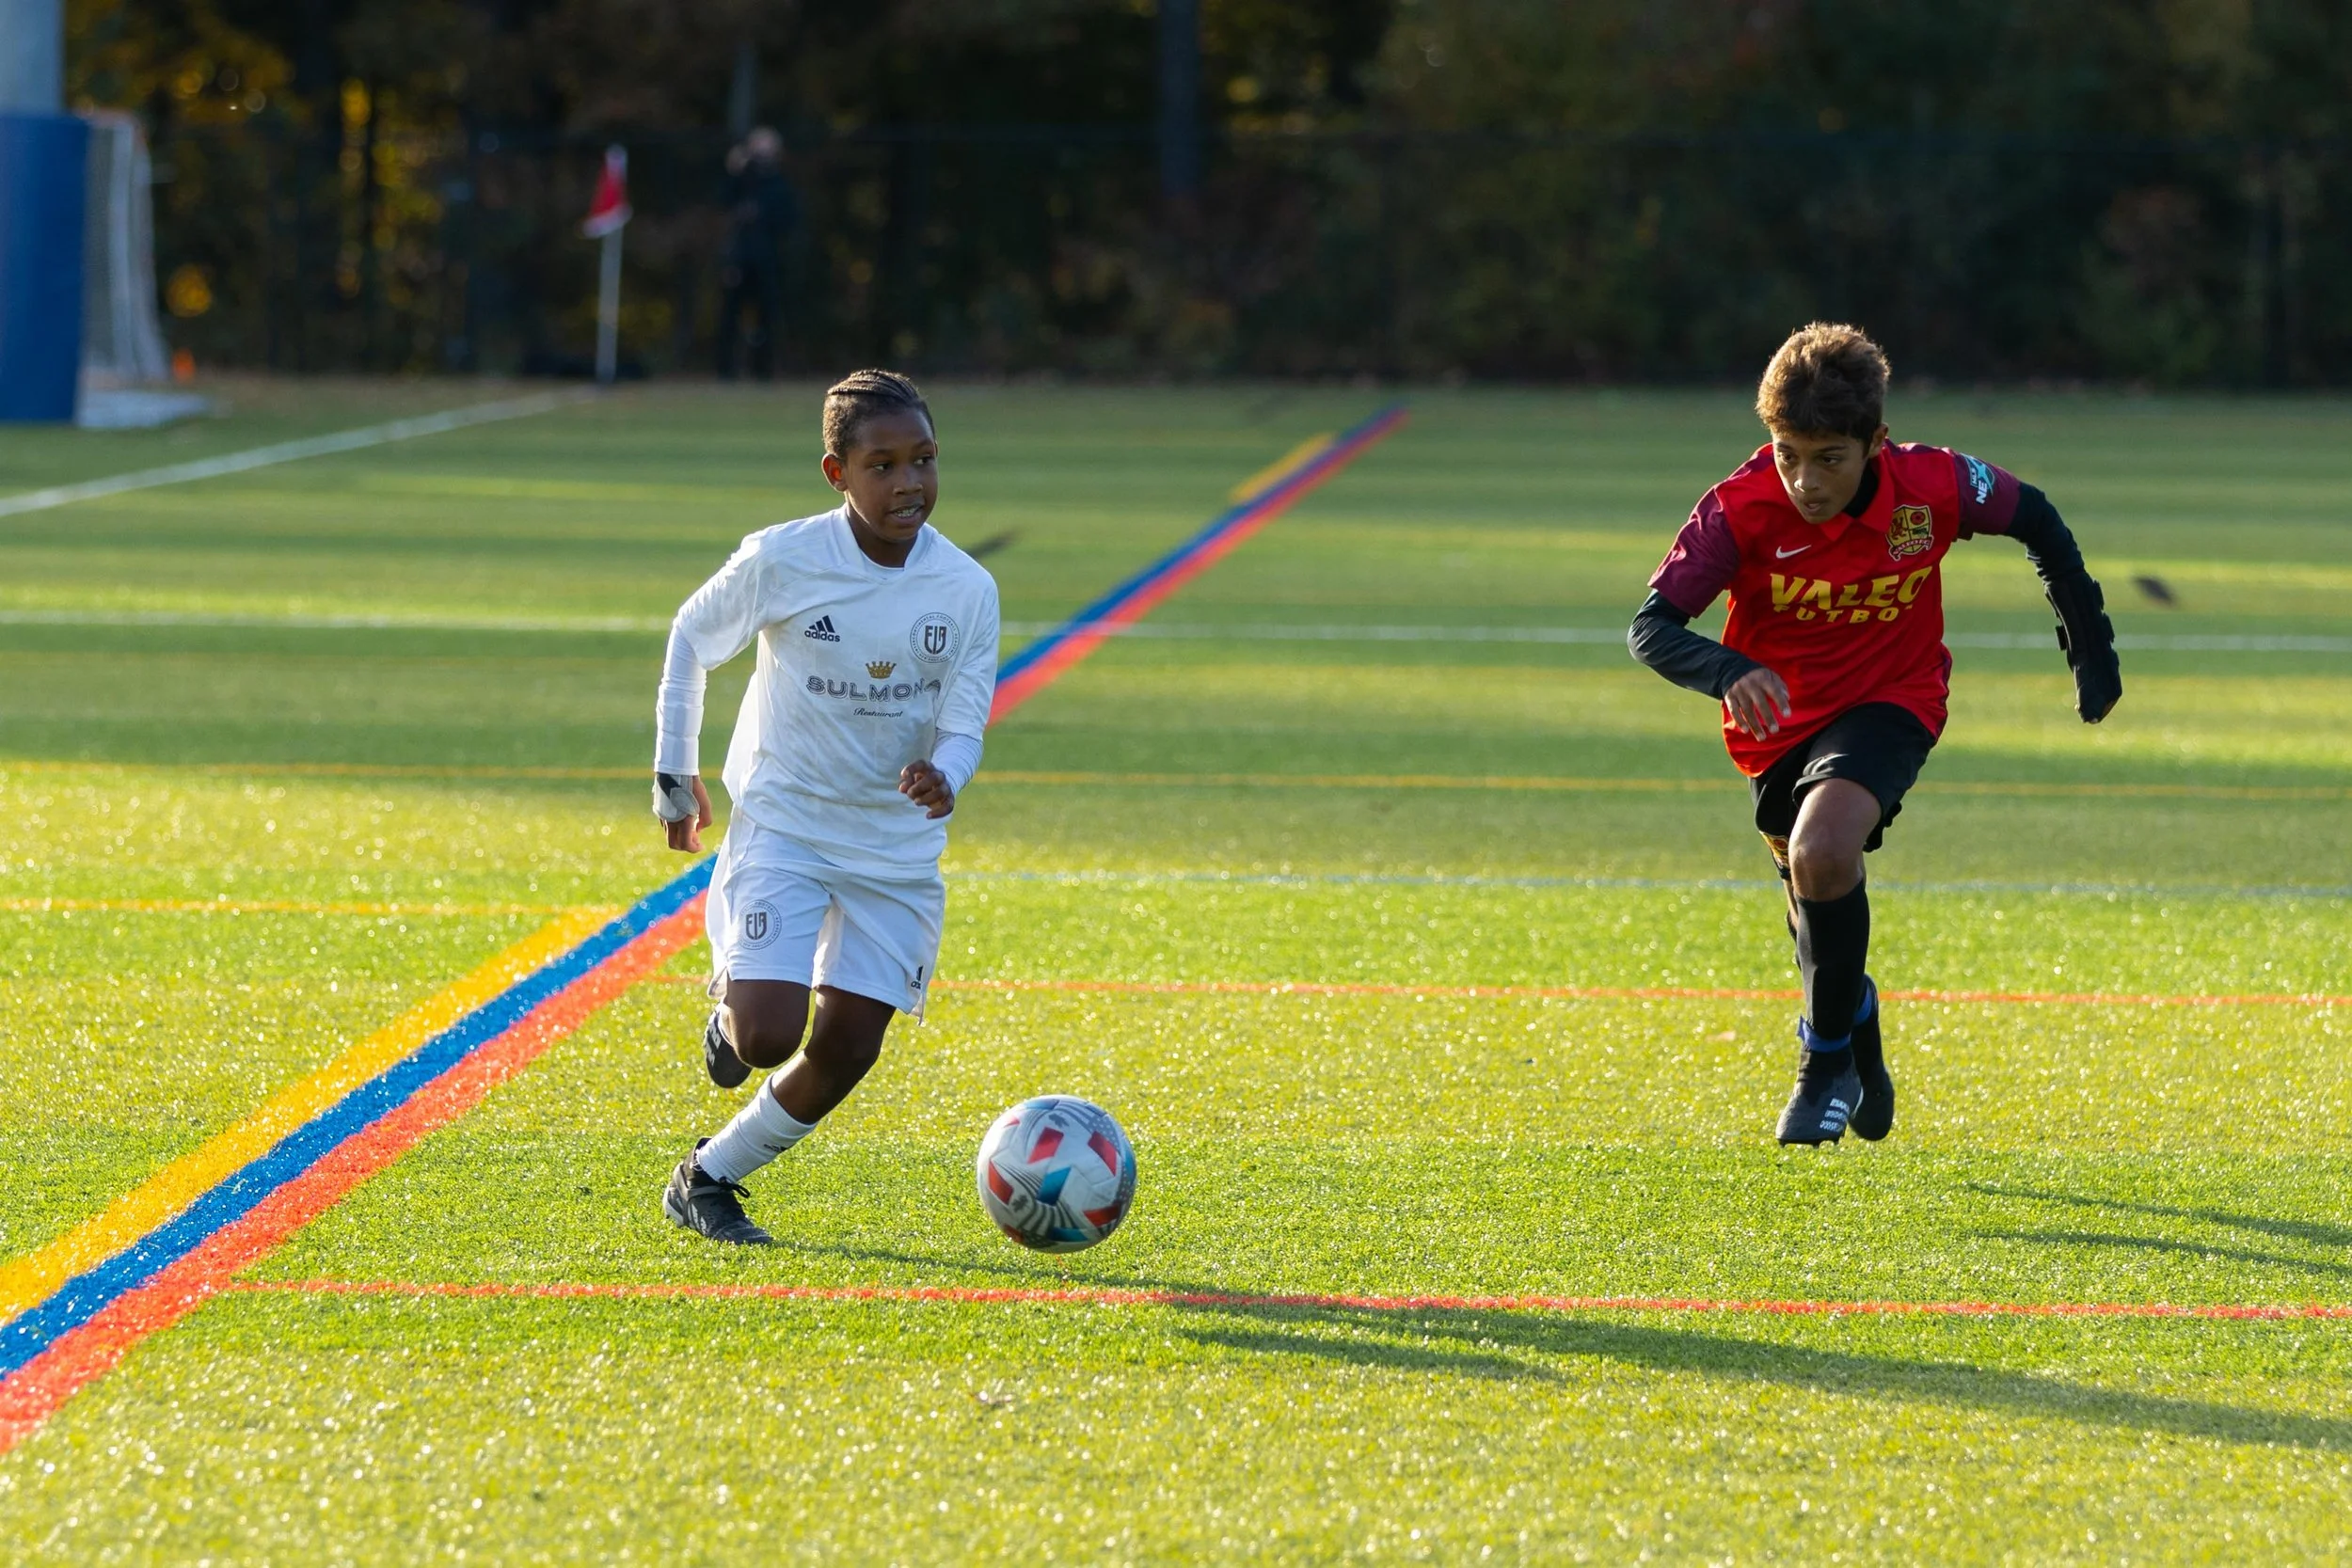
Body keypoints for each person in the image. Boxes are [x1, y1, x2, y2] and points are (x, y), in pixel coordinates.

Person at [1628, 324, 2122, 1146]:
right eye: (1788, 454)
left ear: (1875, 443)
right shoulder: (1738, 509)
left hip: (1895, 698)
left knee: (1825, 849)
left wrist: (2089, 645)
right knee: (1812, 920)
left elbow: (2036, 517)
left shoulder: (1933, 485)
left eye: (1829, 458)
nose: (1804, 480)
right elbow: (1651, 628)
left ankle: (1822, 1063)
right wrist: (1726, 669)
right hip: (1778, 728)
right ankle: (1855, 1019)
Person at [653, 370, 1000, 1243]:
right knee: (768, 1036)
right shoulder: (784, 558)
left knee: (848, 1047)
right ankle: (733, 1014)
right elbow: (692, 634)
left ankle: (706, 1178)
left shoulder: (967, 589)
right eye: (883, 465)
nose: (909, 482)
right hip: (789, 824)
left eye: (923, 459)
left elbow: (964, 724)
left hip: (893, 850)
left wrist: (945, 774)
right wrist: (674, 772)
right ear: (836, 473)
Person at [714, 126, 797, 380]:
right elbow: (723, 200)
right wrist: (734, 171)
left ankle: (763, 369)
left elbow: (787, 220)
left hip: (767, 259)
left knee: (766, 315)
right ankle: (725, 370)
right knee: (730, 314)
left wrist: (762, 217)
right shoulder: (741, 181)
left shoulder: (779, 185)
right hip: (738, 258)